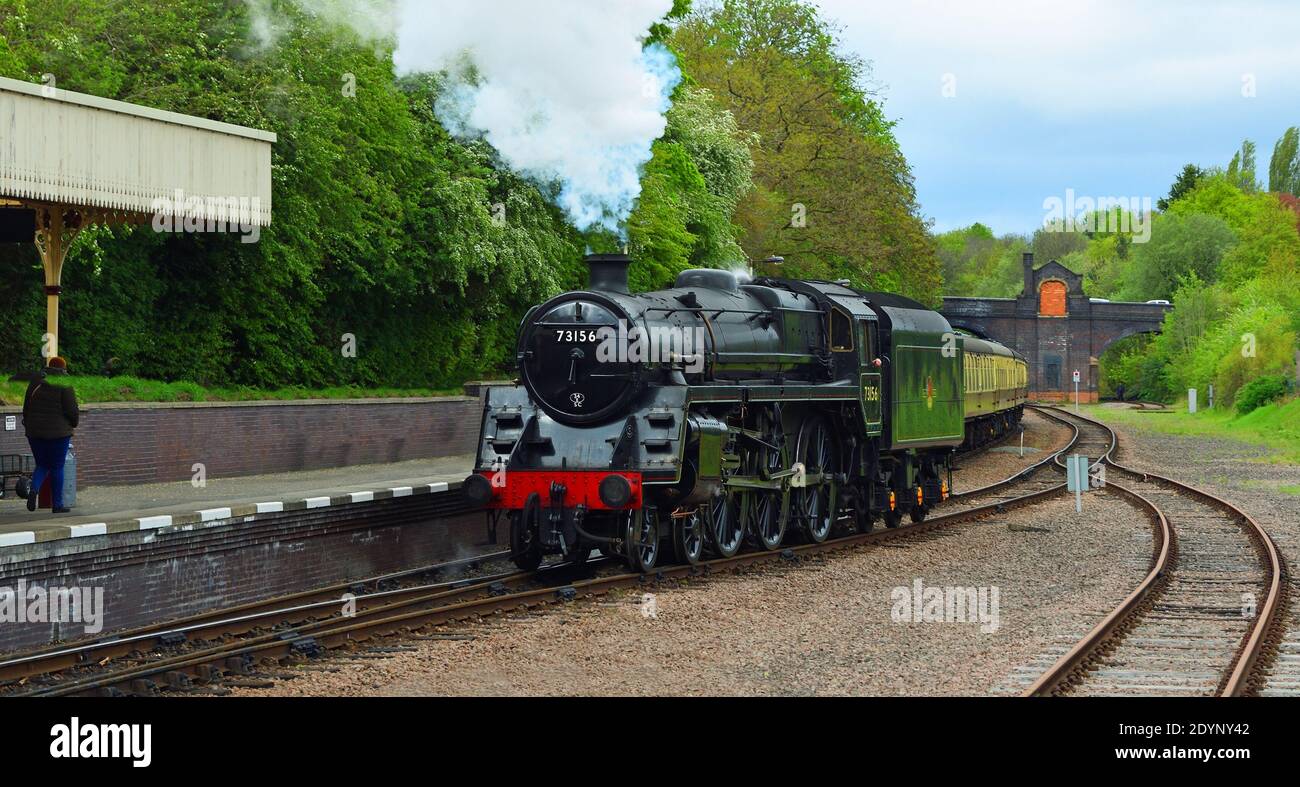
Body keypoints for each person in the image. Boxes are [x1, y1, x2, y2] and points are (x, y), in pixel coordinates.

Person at [22, 357, 79, 514]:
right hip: (58, 433)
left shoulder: (36, 380)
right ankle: (58, 505)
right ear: (63, 369)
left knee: (42, 464)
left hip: (35, 432)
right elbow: (71, 409)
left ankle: (34, 489)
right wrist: (74, 423)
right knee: (57, 466)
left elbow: (26, 405)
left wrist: (28, 423)